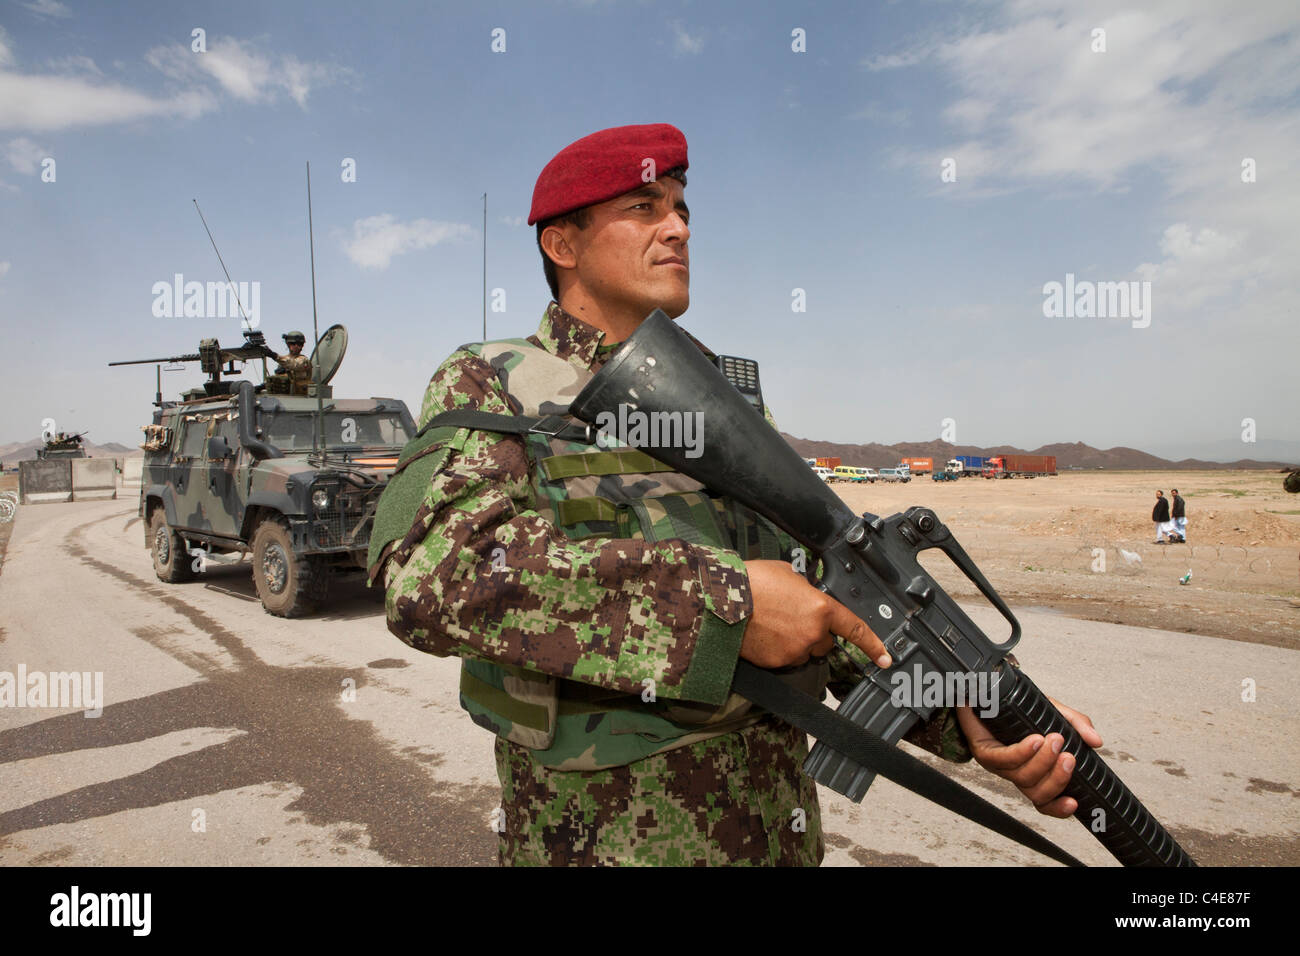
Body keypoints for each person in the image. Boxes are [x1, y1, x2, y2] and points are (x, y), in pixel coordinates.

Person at [369, 123, 1100, 866]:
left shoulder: (722, 405)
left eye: (683, 209)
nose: (679, 228)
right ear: (563, 245)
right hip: (601, 846)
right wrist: (729, 607)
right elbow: (433, 575)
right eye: (645, 207)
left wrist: (972, 711)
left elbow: (826, 603)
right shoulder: (493, 380)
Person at [275, 331, 312, 396]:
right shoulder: (283, 360)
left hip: (301, 396)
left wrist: (274, 356)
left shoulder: (304, 360)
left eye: (299, 344)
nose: (296, 346)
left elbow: (294, 364)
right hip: (286, 396)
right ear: (288, 344)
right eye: (293, 343)